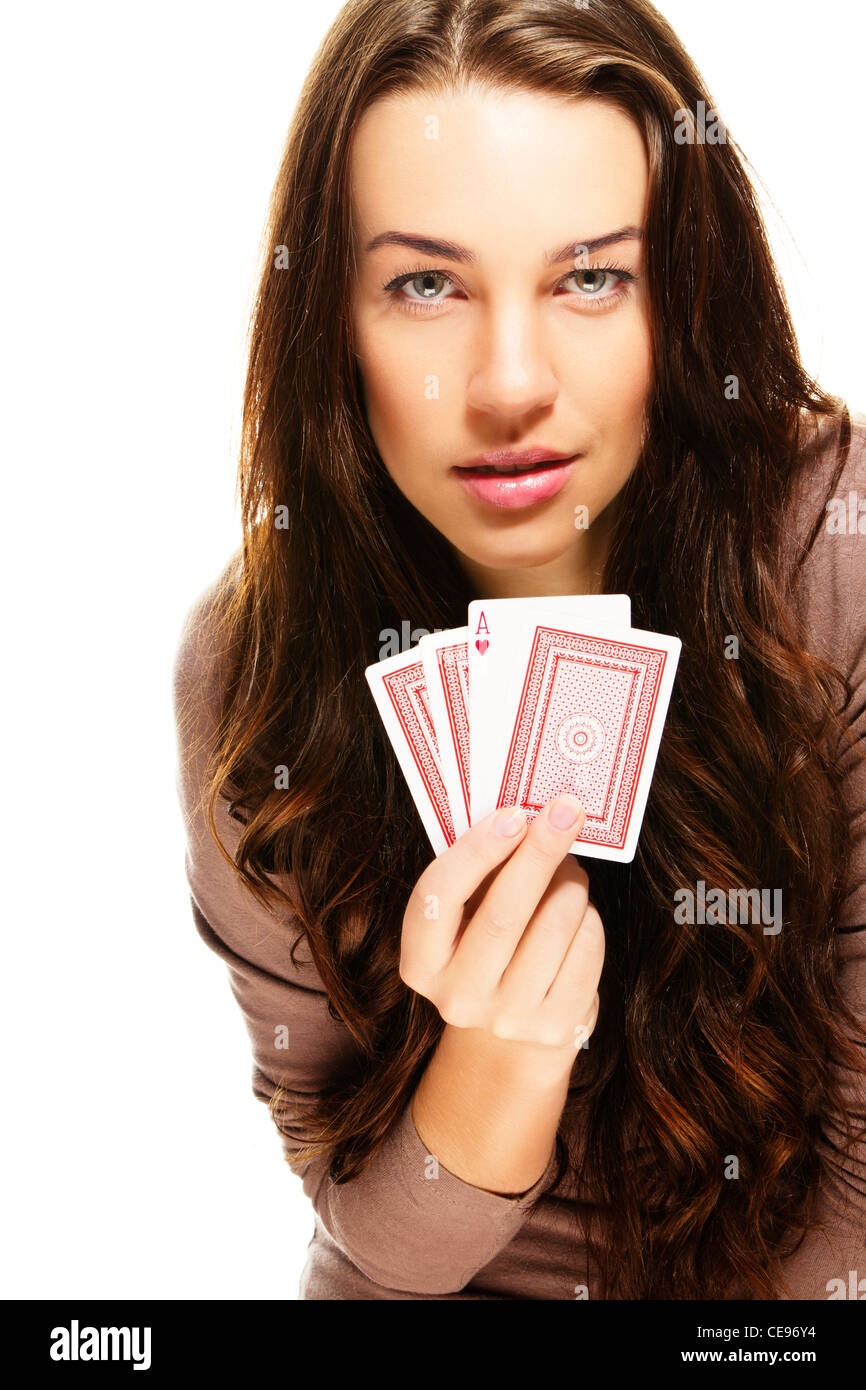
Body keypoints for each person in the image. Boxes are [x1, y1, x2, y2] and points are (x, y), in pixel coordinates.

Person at [172, 0, 866, 1299]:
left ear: (686, 293)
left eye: (588, 276)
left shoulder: (841, 561)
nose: (506, 382)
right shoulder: (249, 657)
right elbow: (374, 1233)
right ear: (330, 315)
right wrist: (499, 1050)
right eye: (424, 282)